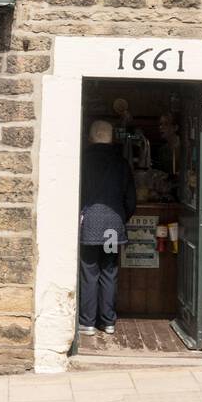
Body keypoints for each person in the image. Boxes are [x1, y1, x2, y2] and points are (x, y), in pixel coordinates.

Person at [78, 119, 137, 336]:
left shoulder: (82, 159)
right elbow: (131, 199)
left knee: (89, 272)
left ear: (91, 137)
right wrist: (121, 217)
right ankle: (108, 322)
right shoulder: (121, 162)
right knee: (109, 271)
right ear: (112, 138)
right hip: (112, 228)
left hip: (90, 227)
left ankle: (87, 323)